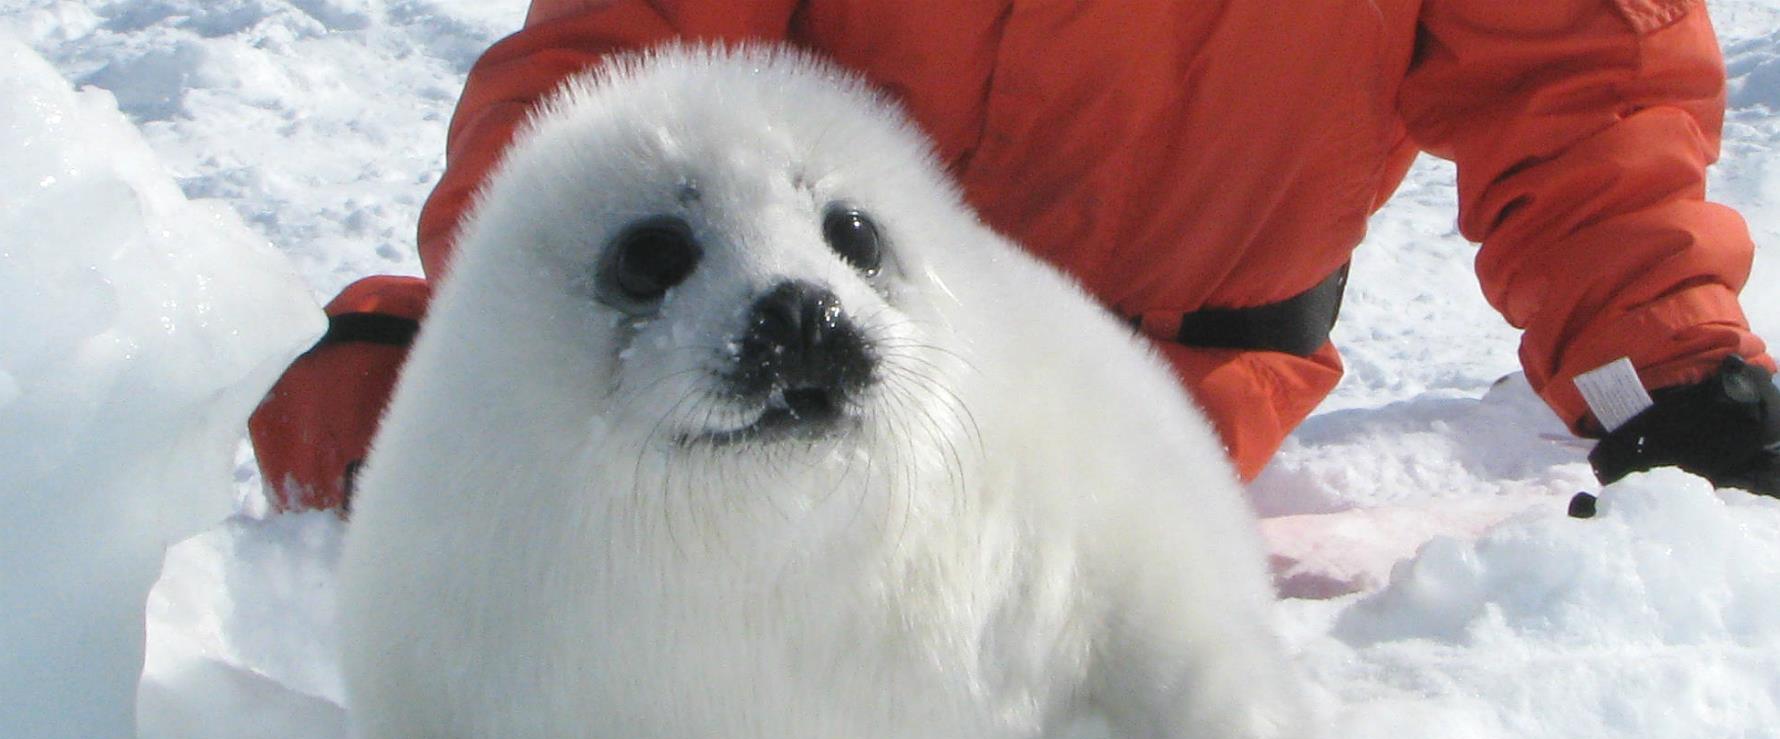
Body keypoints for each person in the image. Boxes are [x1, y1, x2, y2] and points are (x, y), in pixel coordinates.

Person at [249, 0, 1780, 513]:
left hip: (1130, 413)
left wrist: (1678, 363)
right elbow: (631, 53)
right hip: (766, 354)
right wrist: (510, 315)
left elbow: (1583, 90)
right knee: (358, 428)